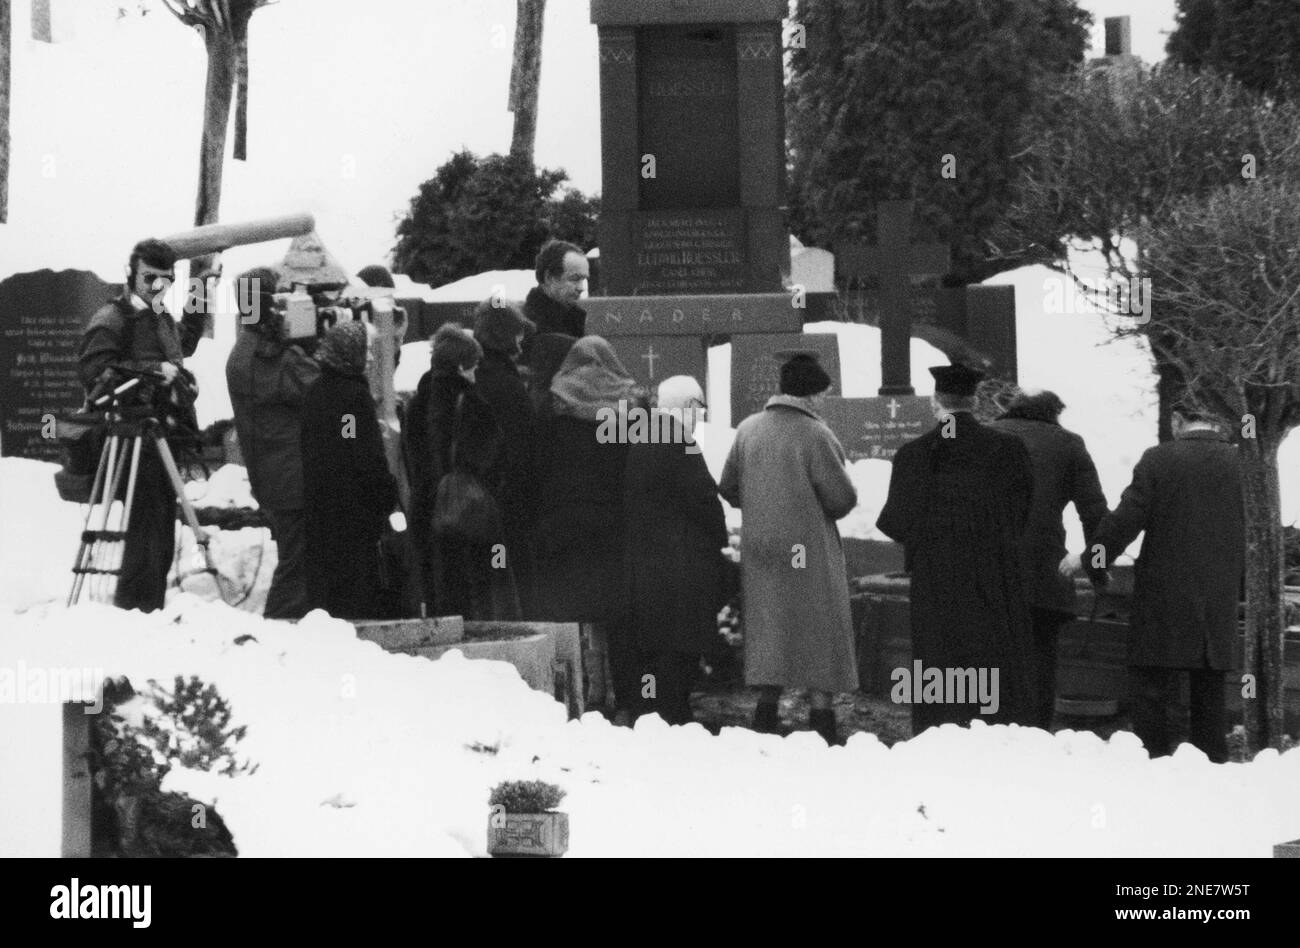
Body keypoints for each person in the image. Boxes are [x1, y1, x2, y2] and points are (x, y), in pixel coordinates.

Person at [1061, 405, 1244, 763]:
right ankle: (1212, 765)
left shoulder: (1159, 459)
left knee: (1150, 685)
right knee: (1209, 688)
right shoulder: (1241, 463)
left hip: (1164, 594)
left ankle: (1152, 760)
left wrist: (1090, 559)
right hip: (1219, 595)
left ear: (1178, 422)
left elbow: (1125, 521)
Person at [876, 364, 1037, 734]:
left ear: (936, 403)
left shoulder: (914, 454)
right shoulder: (1008, 449)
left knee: (939, 656)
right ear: (975, 401)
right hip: (993, 575)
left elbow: (893, 521)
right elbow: (1022, 510)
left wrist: (927, 540)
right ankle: (992, 725)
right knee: (991, 653)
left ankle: (939, 729)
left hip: (936, 578)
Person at [718, 354, 859, 744]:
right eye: (823, 395)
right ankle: (822, 716)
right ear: (812, 395)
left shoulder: (747, 429)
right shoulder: (815, 434)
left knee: (769, 622)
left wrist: (764, 504)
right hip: (808, 548)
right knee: (817, 624)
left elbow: (728, 486)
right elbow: (841, 498)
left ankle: (765, 712)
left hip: (762, 546)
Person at [77, 238, 208, 612]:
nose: (157, 286)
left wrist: (200, 286)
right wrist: (152, 371)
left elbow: (188, 342)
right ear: (130, 274)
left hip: (159, 435)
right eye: (149, 278)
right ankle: (135, 610)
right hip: (129, 437)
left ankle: (151, 607)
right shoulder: (112, 319)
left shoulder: (159, 316)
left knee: (160, 528)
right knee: (146, 529)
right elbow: (92, 372)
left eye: (166, 280)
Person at [533, 337, 642, 719]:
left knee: (573, 616)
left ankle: (582, 694)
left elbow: (539, 470)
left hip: (564, 524)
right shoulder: (627, 413)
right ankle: (627, 701)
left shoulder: (552, 409)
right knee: (618, 619)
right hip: (613, 524)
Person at [988, 389, 1110, 729]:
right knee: (1039, 666)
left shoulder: (981, 437)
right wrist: (1098, 571)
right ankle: (1036, 738)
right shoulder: (1068, 443)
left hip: (983, 575)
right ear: (1054, 413)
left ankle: (986, 741)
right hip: (1043, 574)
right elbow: (1094, 512)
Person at [623, 376, 729, 725]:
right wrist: (719, 539)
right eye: (699, 408)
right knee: (679, 645)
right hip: (681, 561)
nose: (700, 416)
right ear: (687, 407)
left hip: (646, 559)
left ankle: (648, 710)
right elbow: (703, 498)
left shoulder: (642, 434)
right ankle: (674, 715)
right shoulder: (678, 439)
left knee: (652, 645)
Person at [225, 267, 320, 620]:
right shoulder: (271, 358)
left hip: (271, 475)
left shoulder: (241, 353)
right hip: (290, 476)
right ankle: (278, 631)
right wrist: (306, 346)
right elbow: (316, 389)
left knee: (292, 560)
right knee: (295, 569)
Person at [406, 324, 519, 619]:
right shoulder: (472, 403)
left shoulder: (417, 403)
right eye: (473, 365)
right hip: (469, 517)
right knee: (478, 596)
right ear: (460, 365)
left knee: (440, 599)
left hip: (428, 515)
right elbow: (494, 461)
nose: (475, 372)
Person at [300, 321, 398, 620]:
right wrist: (385, 491)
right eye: (365, 351)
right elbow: (358, 449)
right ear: (349, 354)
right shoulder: (352, 397)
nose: (370, 358)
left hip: (321, 507)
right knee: (357, 591)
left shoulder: (316, 390)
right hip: (353, 510)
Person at [472, 299, 538, 616]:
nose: (522, 341)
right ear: (505, 335)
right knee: (506, 569)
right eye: (517, 333)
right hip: (506, 498)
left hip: (479, 496)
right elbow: (522, 445)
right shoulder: (507, 385)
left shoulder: (479, 376)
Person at [523, 240, 589, 340]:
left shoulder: (575, 318)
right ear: (549, 278)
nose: (581, 288)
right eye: (574, 279)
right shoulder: (529, 328)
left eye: (583, 279)